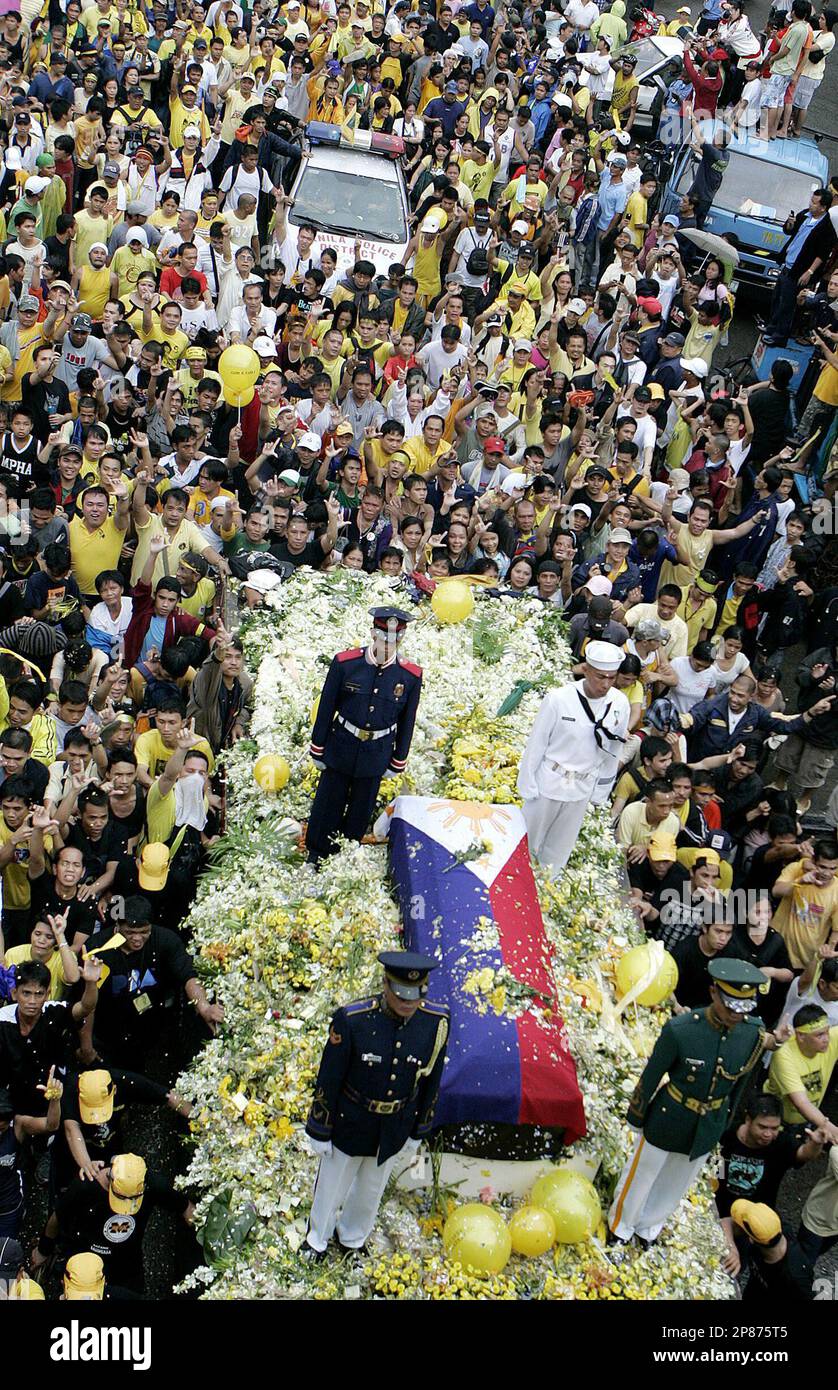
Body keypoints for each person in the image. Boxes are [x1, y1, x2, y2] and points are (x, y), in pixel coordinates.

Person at [608, 958, 786, 1244]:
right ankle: (621, 1226)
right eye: (729, 1007)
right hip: (671, 1114)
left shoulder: (751, 1032)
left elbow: (738, 1084)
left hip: (708, 1122)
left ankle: (648, 1227)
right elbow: (651, 1075)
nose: (734, 1016)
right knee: (642, 1175)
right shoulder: (681, 1029)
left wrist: (723, 1122)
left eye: (742, 1009)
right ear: (714, 993)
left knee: (677, 1182)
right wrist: (636, 1117)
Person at [302, 951, 448, 1260]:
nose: (408, 1003)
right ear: (385, 984)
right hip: (351, 1118)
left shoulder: (435, 1023)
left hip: (394, 1123)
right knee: (333, 1185)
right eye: (401, 994)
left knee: (371, 1190)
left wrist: (419, 1129)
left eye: (416, 995)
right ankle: (317, 1238)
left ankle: (353, 1239)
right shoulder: (353, 1019)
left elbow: (430, 1080)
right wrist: (319, 1127)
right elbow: (330, 1076)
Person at [306, 609, 423, 865]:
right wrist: (318, 747)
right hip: (341, 745)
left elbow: (407, 720)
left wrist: (398, 759)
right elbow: (327, 706)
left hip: (376, 751)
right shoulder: (346, 663)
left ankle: (345, 856)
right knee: (328, 803)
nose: (387, 646)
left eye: (394, 641)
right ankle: (316, 853)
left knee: (361, 809)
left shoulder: (410, 675)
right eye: (383, 639)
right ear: (373, 634)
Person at [517, 642, 630, 876]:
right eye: (600, 677)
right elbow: (537, 743)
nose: (606, 684)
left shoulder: (619, 703)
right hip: (549, 780)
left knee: (558, 850)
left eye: (612, 677)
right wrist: (527, 784)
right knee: (527, 842)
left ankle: (546, 890)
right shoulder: (559, 698)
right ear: (586, 669)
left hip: (582, 785)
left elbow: (613, 750)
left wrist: (601, 792)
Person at [731, 1200, 814, 1302]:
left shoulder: (796, 1278)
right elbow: (727, 1222)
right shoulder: (771, 1226)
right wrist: (733, 1249)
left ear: (751, 1240)